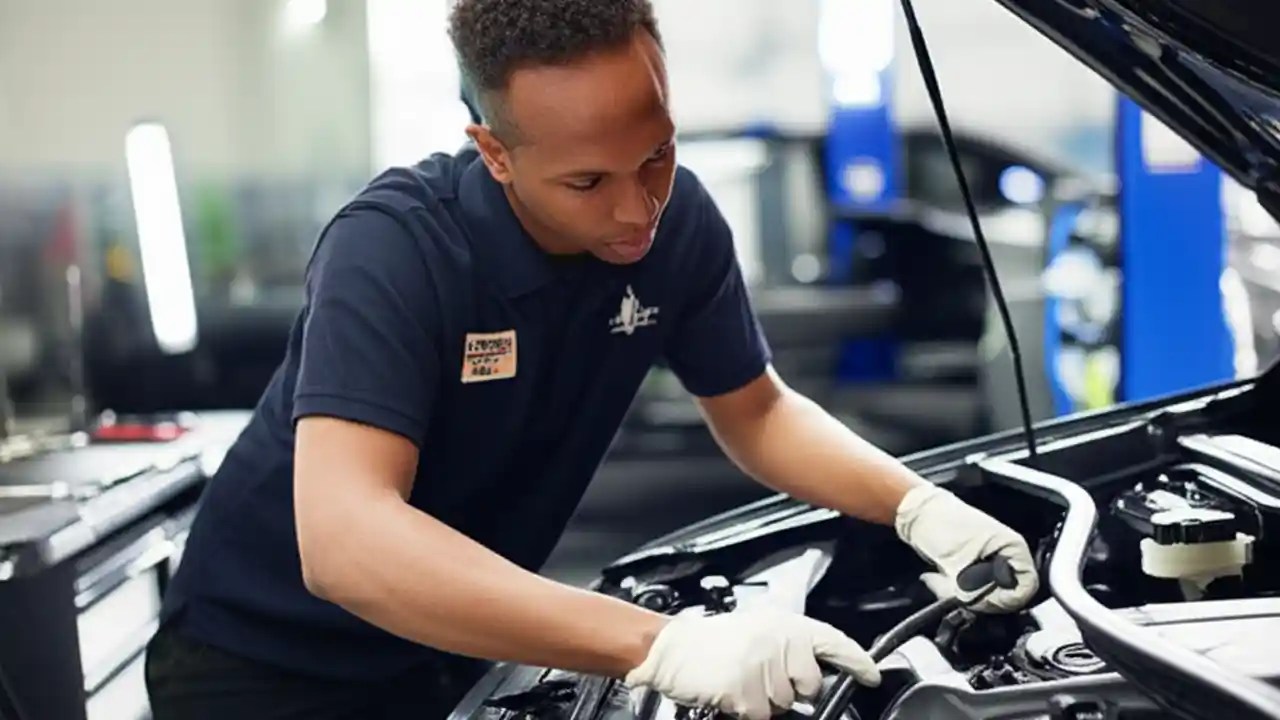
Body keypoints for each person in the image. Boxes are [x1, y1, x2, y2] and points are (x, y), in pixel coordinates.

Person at [143, 0, 1039, 718]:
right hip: (260, 665)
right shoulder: (396, 248)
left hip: (450, 647)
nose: (636, 211)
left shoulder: (678, 221)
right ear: (493, 152)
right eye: (587, 182)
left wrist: (920, 507)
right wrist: (661, 643)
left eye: (657, 155)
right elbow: (345, 543)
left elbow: (755, 408)